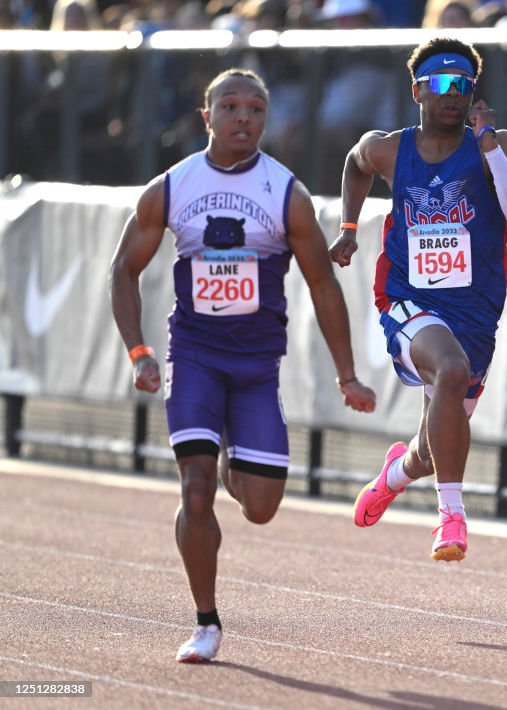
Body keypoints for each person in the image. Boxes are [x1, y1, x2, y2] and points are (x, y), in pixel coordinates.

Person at [109, 68, 376, 663]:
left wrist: (348, 374)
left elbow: (322, 286)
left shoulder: (287, 194)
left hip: (257, 367)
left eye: (255, 109)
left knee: (259, 507)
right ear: (208, 117)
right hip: (194, 358)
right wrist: (139, 350)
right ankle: (206, 623)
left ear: (266, 118)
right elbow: (123, 269)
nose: (243, 118)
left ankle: (234, 453)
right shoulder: (172, 187)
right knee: (195, 492)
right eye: (230, 107)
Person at [329, 37, 507, 562]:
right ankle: (451, 517)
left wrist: (490, 149)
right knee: (450, 370)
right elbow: (356, 164)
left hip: (476, 310)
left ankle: (397, 473)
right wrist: (350, 226)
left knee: (432, 448)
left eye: (463, 85)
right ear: (417, 90)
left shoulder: (498, 143)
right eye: (442, 84)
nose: (454, 94)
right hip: (406, 297)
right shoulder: (388, 148)